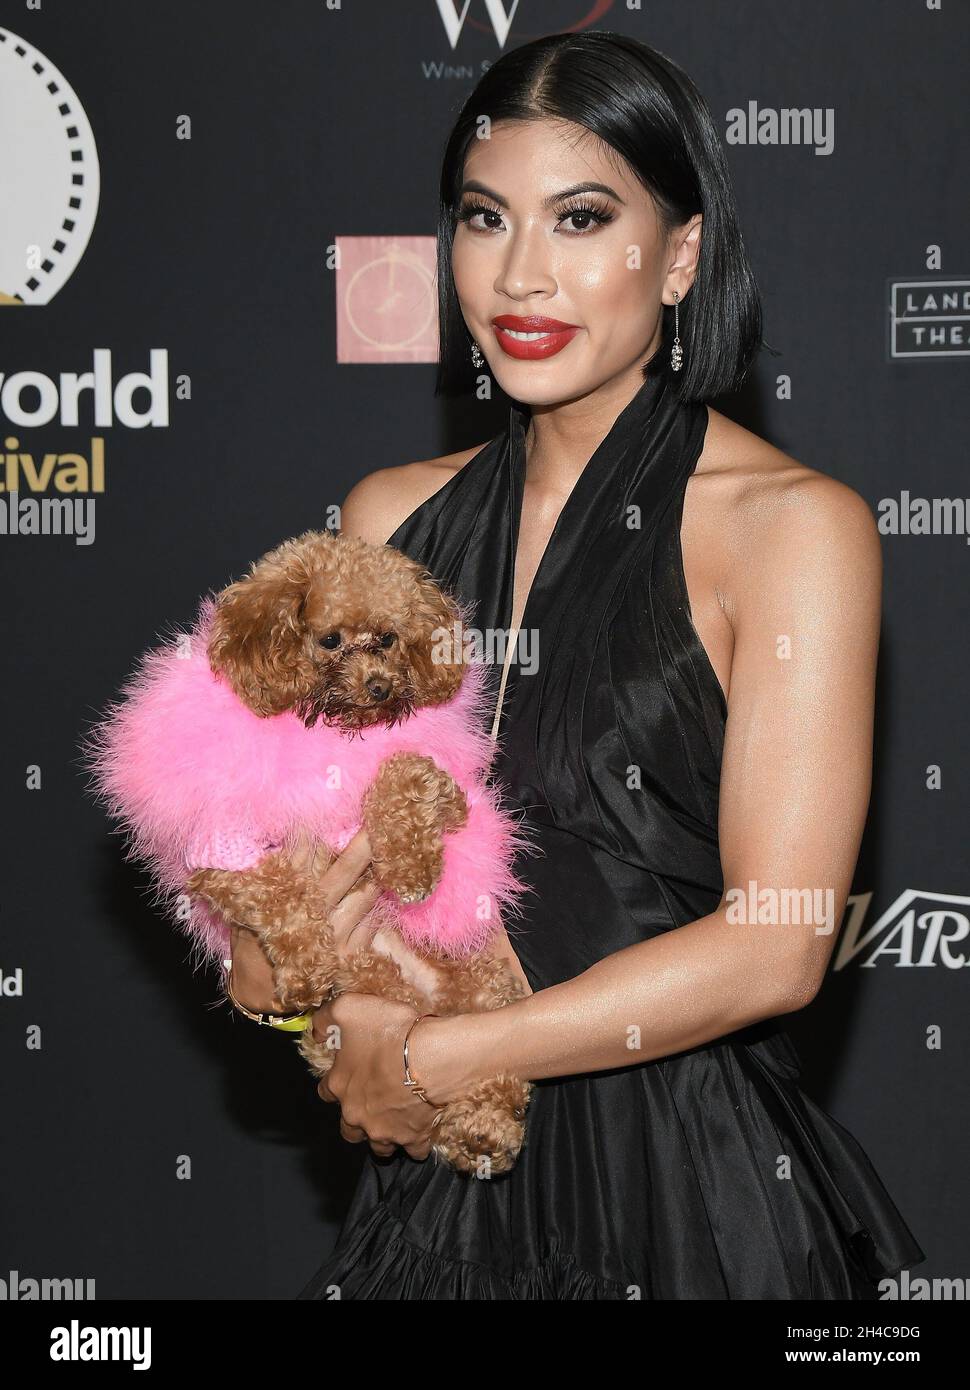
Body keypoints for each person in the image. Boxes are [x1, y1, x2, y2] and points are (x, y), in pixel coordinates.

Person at [230, 30, 926, 1299]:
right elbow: (316, 896)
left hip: (685, 1194)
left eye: (582, 217)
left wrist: (439, 1058)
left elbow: (777, 945)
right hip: (437, 1192)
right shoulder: (389, 519)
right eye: (486, 219)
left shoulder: (790, 527)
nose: (523, 275)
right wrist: (307, 1009)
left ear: (680, 257)